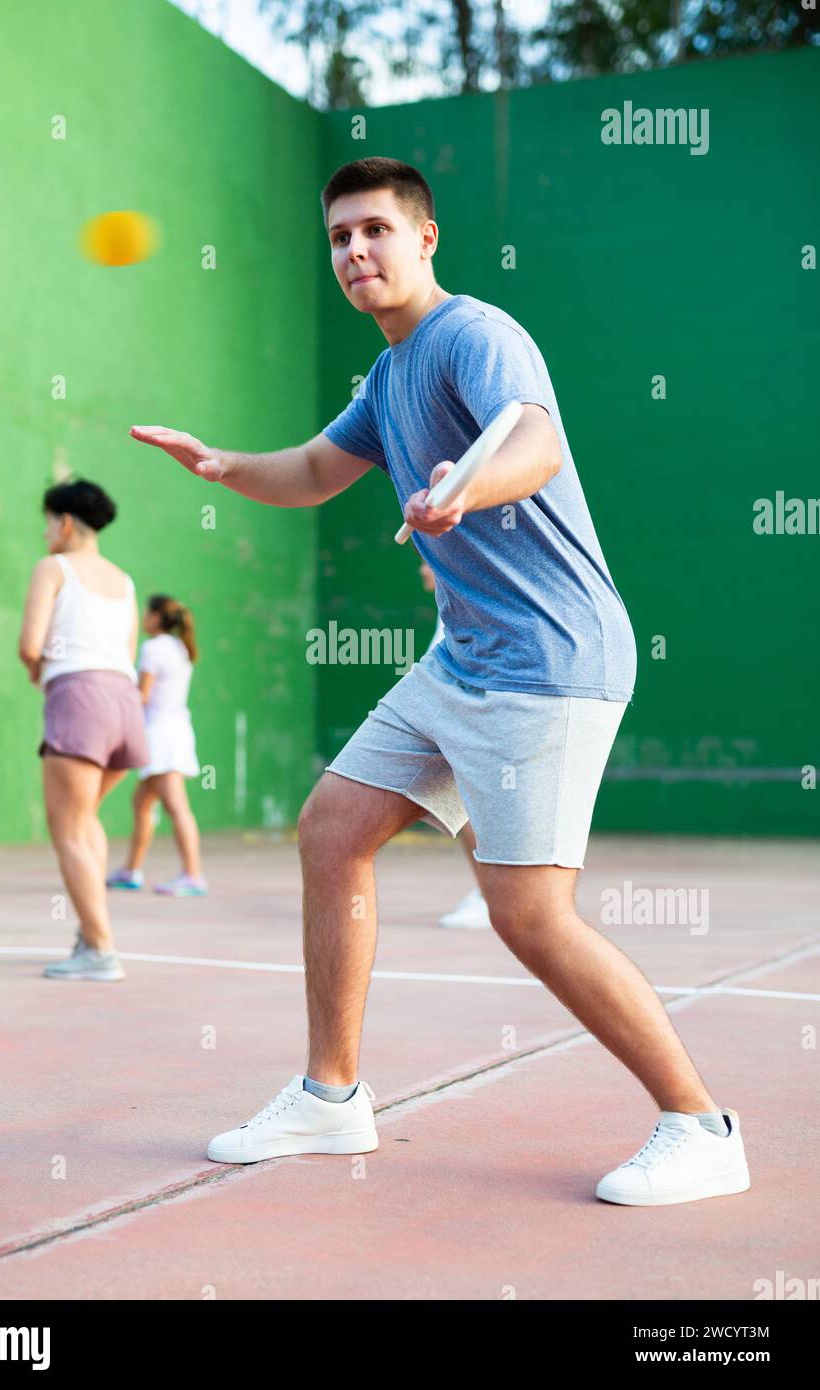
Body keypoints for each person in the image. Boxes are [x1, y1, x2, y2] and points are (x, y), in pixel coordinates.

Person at [130, 157, 749, 1206]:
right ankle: (332, 1098)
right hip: (462, 659)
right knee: (332, 828)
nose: (355, 252)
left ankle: (702, 1124)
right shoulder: (385, 379)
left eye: (375, 229)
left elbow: (533, 440)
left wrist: (469, 486)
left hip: (549, 662)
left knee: (531, 916)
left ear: (425, 239)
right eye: (339, 238)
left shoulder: (474, 334)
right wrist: (225, 466)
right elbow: (319, 471)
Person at [18, 478, 148, 983]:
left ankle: (99, 948)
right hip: (123, 703)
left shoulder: (52, 568)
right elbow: (128, 651)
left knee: (67, 830)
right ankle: (90, 936)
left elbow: (30, 644)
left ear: (65, 522)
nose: (46, 531)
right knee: (85, 820)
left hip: (79, 699)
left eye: (48, 521)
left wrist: (41, 674)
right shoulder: (125, 580)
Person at [106, 594, 207, 896]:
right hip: (174, 731)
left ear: (155, 618)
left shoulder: (153, 648)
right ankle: (130, 871)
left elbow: (143, 696)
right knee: (142, 802)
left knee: (176, 806)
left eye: (147, 614)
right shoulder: (179, 648)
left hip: (161, 735)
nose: (143, 618)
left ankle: (193, 875)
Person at [418, 558, 490, 929]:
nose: (422, 571)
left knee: (469, 814)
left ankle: (491, 898)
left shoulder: (461, 610)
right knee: (466, 813)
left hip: (466, 718)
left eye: (426, 564)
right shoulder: (449, 609)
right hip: (459, 716)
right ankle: (491, 895)